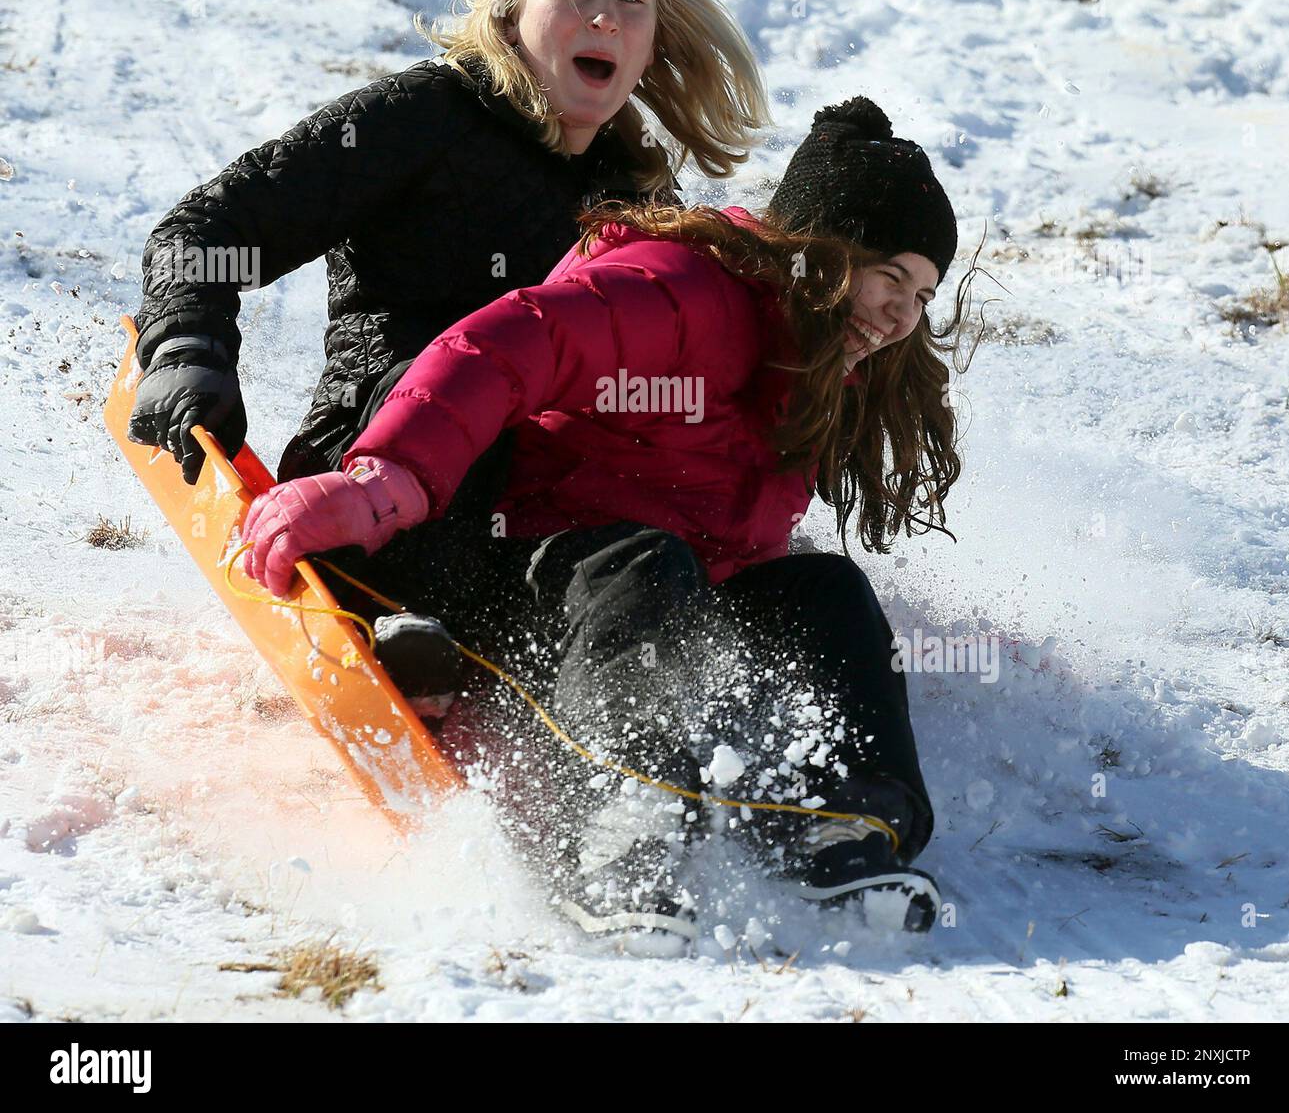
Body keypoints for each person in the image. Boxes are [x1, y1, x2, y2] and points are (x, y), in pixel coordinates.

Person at [241, 96, 978, 944]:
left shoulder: (817, 365)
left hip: (654, 623)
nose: (901, 315)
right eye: (890, 276)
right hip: (521, 581)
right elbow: (512, 343)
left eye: (921, 293)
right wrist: (383, 481)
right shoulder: (684, 294)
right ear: (814, 250)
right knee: (642, 562)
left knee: (826, 591)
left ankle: (843, 823)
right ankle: (617, 825)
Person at [126, 0, 769, 496]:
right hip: (370, 462)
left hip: (548, 497)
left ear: (652, 41)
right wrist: (189, 346)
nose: (605, 18)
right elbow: (208, 229)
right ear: (511, 12)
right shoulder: (428, 115)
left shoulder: (638, 184)